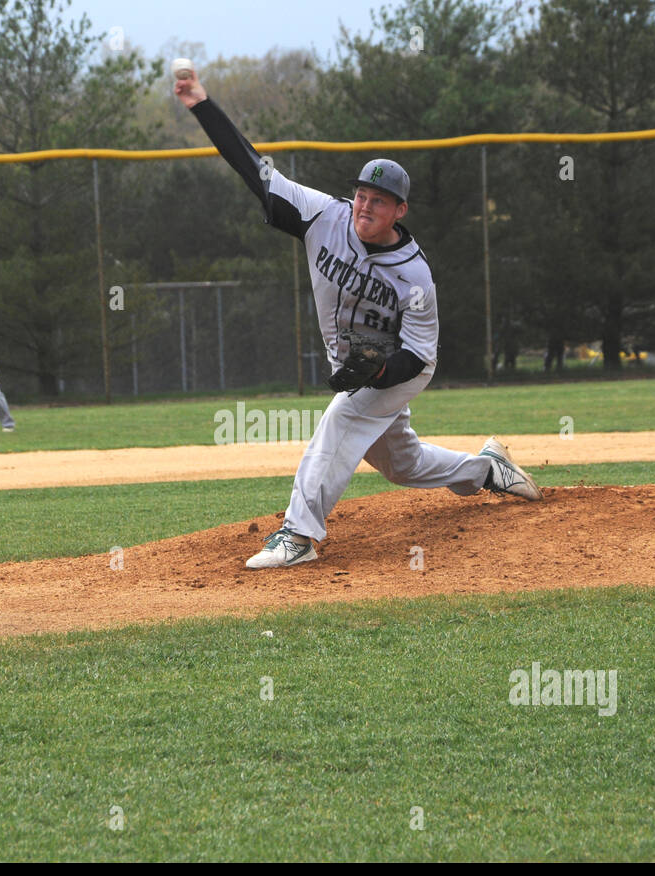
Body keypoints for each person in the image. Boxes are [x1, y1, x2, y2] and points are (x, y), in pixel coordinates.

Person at [174, 66, 542, 570]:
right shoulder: (324, 216)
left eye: (379, 202)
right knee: (400, 464)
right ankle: (485, 470)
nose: (365, 207)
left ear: (399, 210)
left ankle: (299, 535)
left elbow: (419, 353)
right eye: (362, 196)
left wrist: (377, 373)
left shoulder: (415, 276)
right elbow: (254, 170)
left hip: (401, 366)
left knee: (342, 418)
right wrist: (202, 104)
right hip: (356, 363)